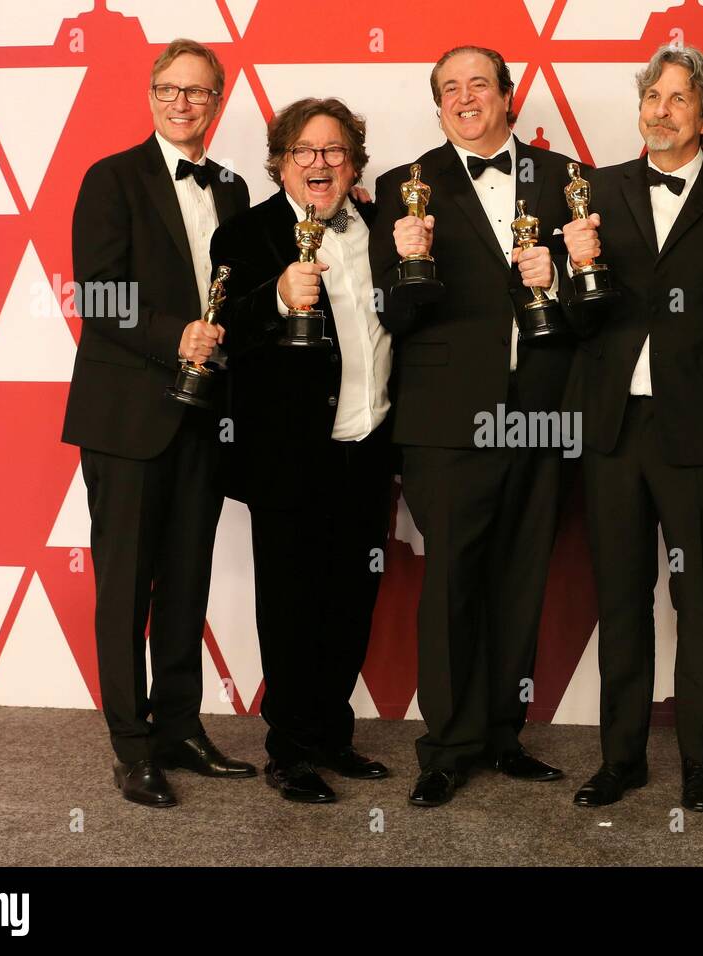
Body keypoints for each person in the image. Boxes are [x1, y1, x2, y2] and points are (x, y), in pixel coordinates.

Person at [560, 45, 703, 811]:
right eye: (651, 96)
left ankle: (698, 764)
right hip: (614, 433)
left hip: (702, 438)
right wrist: (571, 270)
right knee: (621, 601)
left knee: (701, 604)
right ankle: (619, 760)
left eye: (677, 98)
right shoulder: (594, 189)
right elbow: (578, 321)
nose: (659, 109)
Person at [369, 45, 577, 807]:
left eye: (478, 85)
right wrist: (403, 263)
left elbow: (596, 304)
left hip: (539, 413)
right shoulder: (403, 185)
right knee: (454, 580)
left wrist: (559, 277)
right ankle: (447, 746)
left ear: (507, 96)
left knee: (521, 576)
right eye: (449, 88)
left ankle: (503, 733)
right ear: (438, 105)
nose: (465, 98)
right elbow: (392, 311)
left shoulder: (562, 180)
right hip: (447, 421)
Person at [62, 39, 253, 808]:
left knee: (186, 583)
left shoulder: (235, 189)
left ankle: (180, 727)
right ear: (151, 95)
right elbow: (98, 298)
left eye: (199, 93)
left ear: (219, 99)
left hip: (205, 419)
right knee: (125, 589)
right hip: (128, 418)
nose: (184, 104)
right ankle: (131, 745)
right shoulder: (110, 178)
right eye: (171, 90)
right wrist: (175, 333)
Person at [208, 97, 393, 804]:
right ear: (281, 162)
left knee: (352, 601)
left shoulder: (378, 226)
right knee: (292, 606)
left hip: (368, 446)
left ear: (354, 163)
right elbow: (225, 327)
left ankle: (332, 736)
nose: (321, 164)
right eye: (305, 152)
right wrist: (279, 296)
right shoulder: (247, 234)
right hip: (290, 456)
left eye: (335, 151)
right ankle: (288, 750)